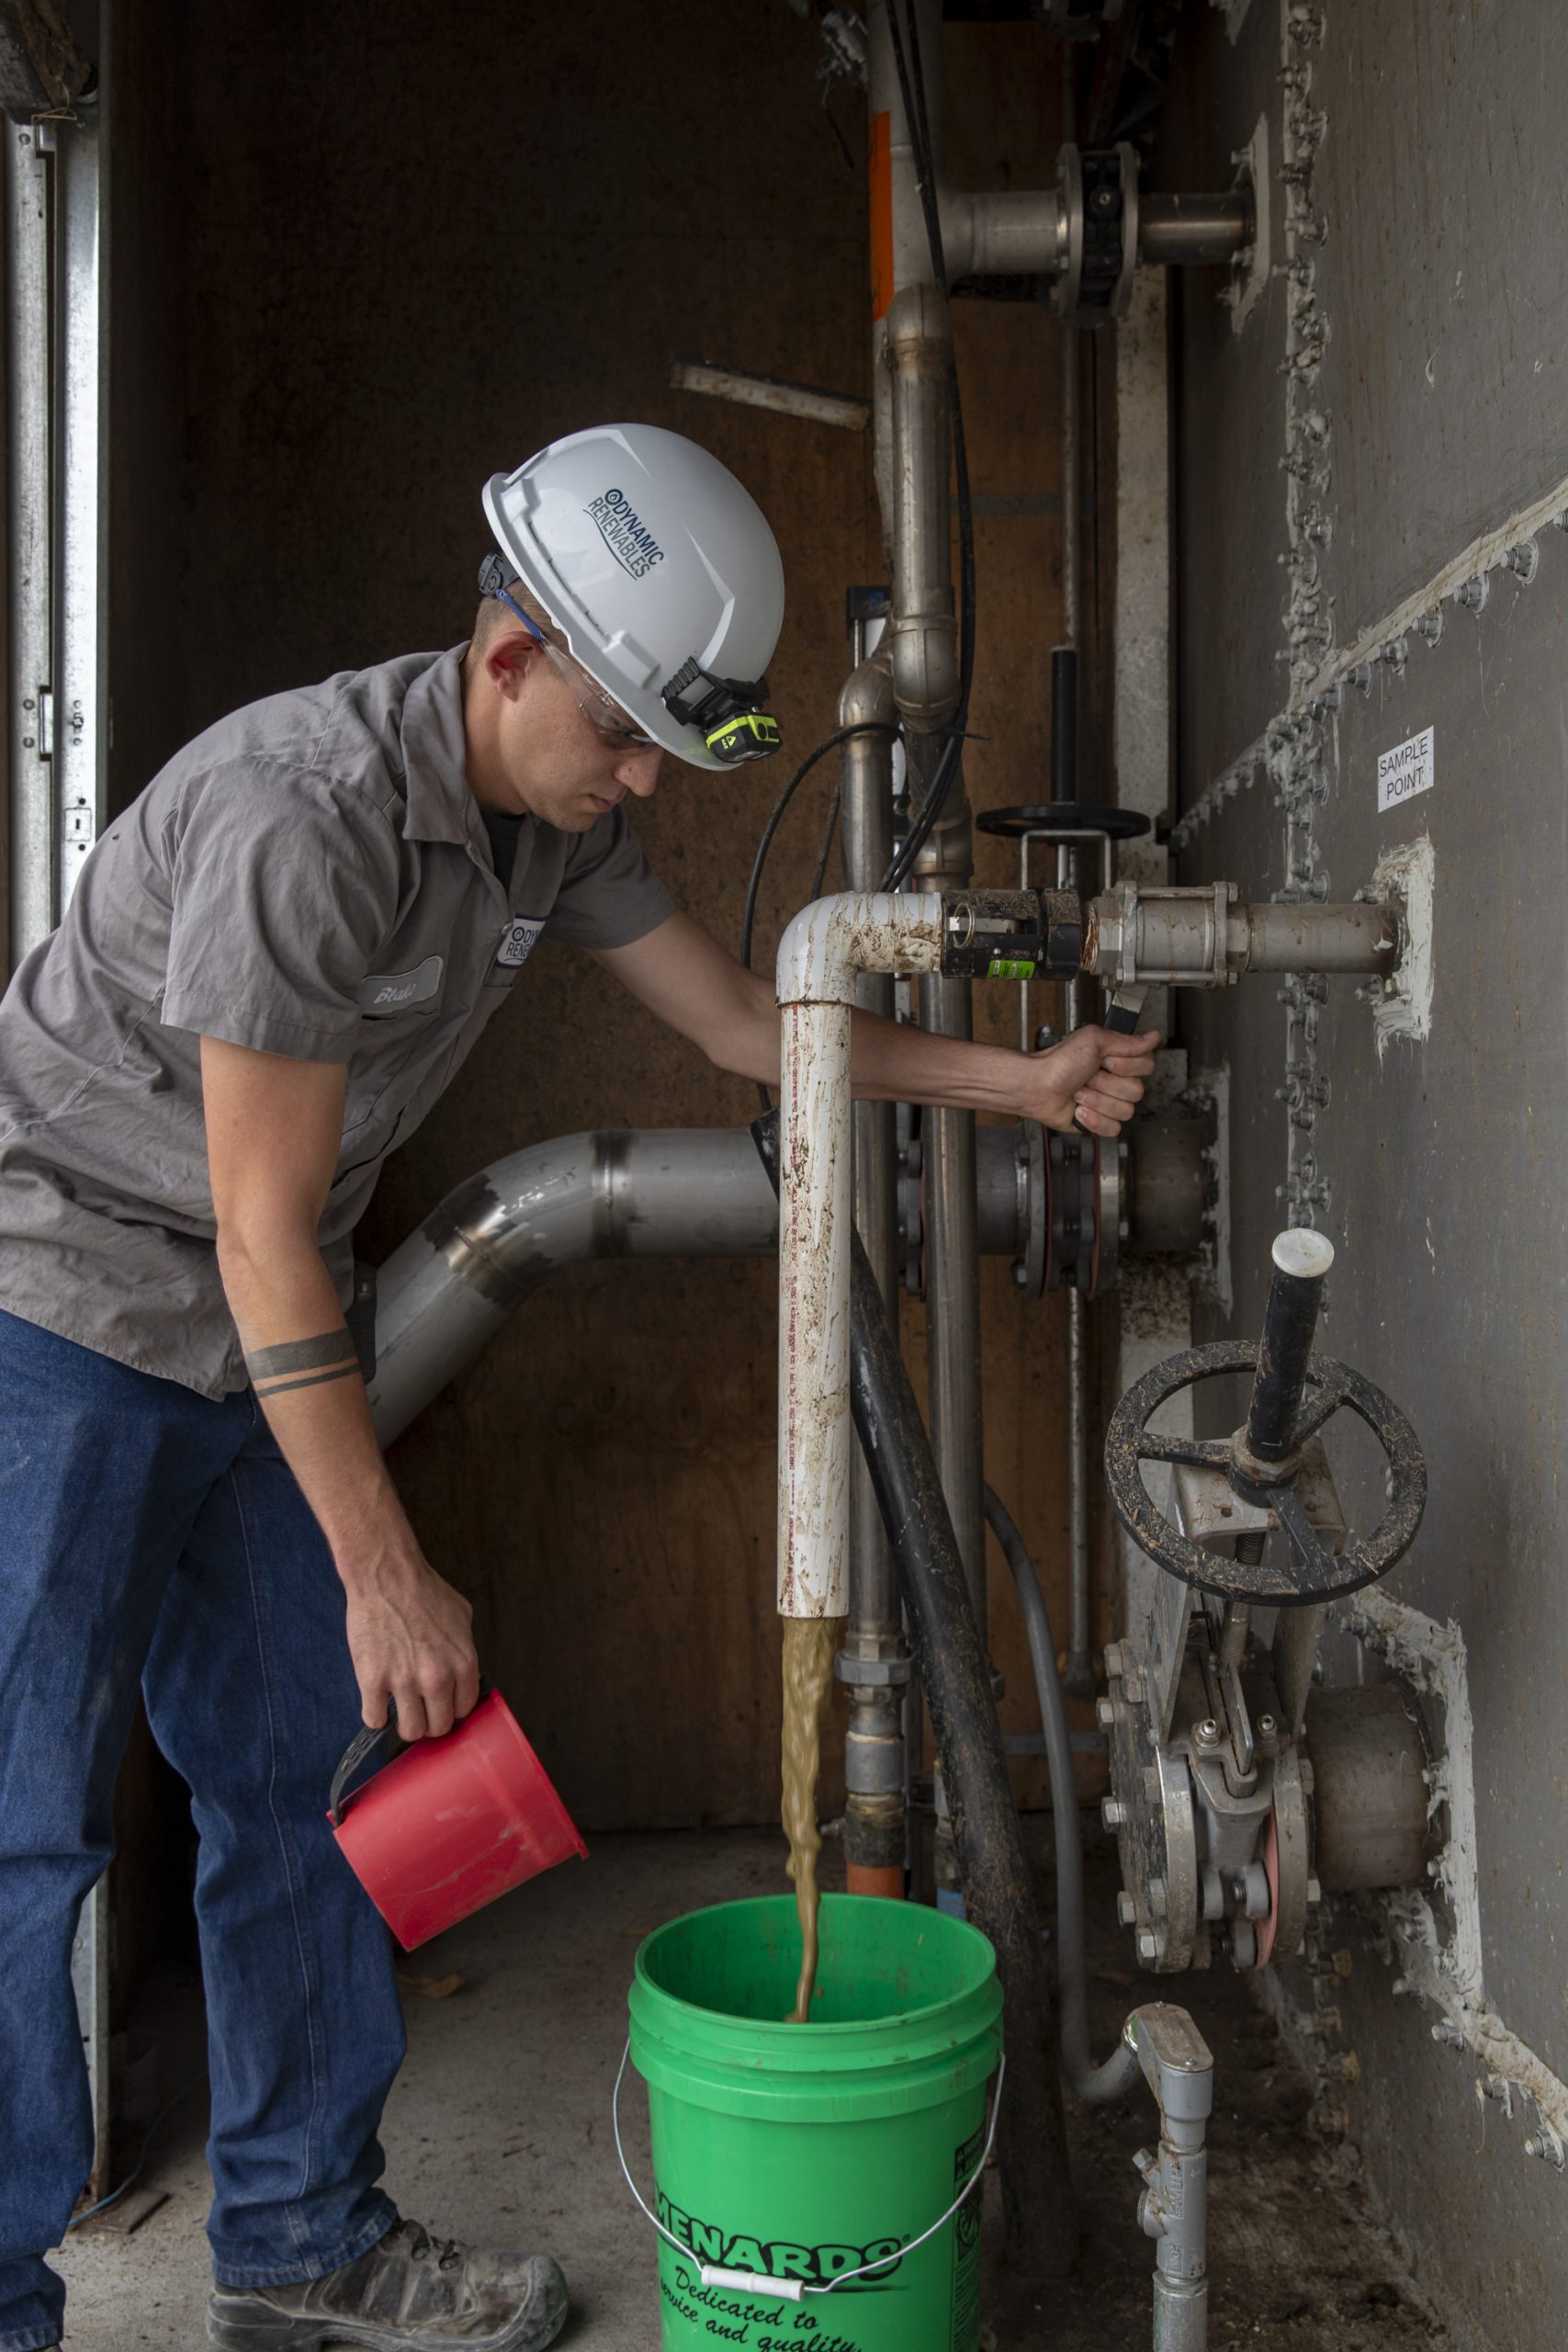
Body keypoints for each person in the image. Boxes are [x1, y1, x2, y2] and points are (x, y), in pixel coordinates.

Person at [0, 423, 1156, 2352]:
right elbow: (270, 1227)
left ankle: (298, 2241)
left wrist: (1015, 1084)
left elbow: (740, 1015)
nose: (634, 784)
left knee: (305, 1784)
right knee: (24, 1827)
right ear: (510, 651)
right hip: (59, 1319)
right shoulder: (305, 816)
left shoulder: (553, 814)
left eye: (658, 749)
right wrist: (382, 1561)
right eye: (618, 734)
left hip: (242, 1335)